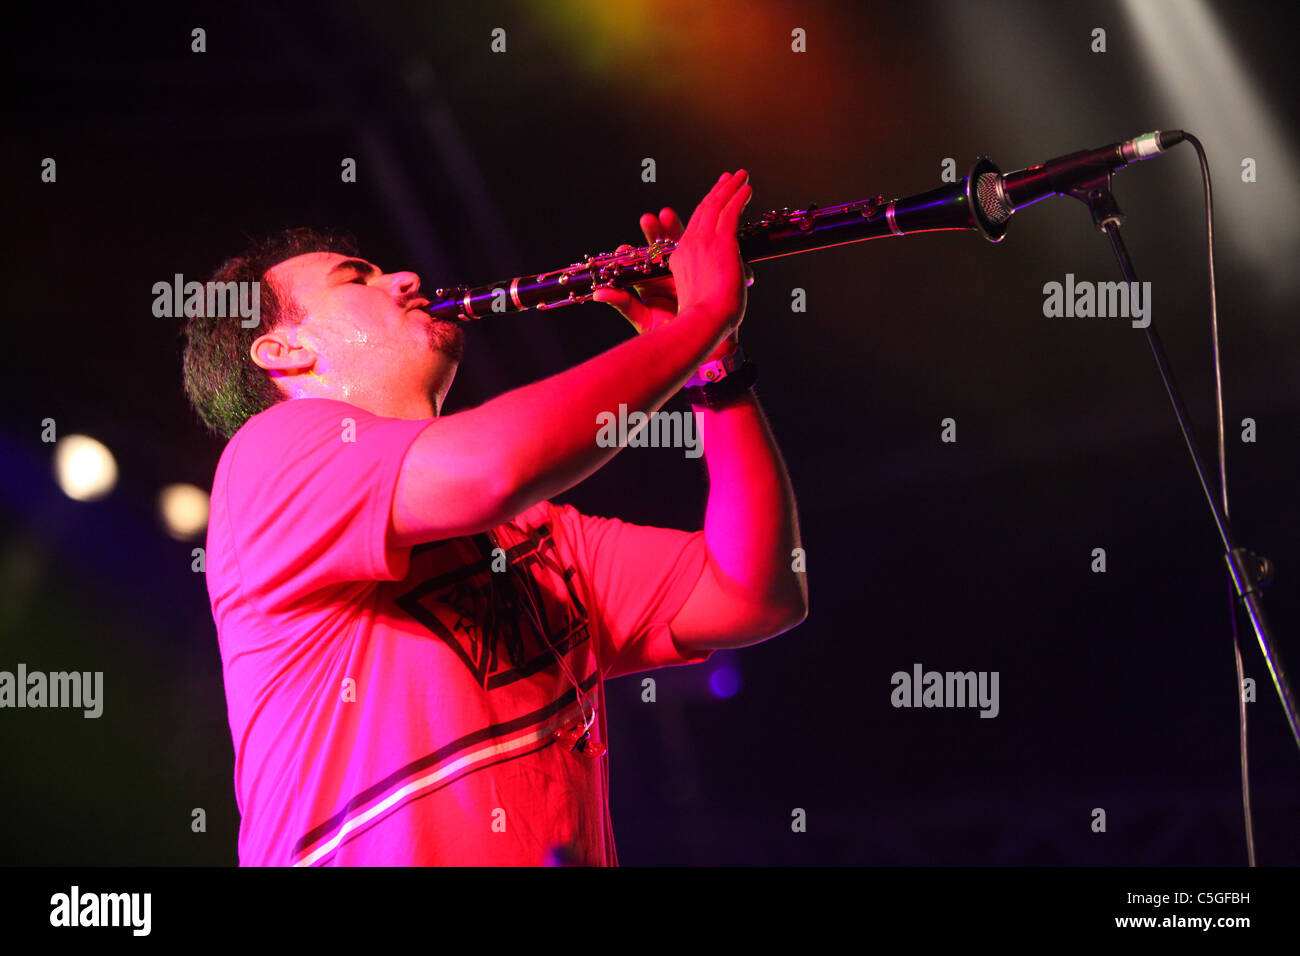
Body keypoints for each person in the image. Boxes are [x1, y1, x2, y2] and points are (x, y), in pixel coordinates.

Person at [182, 169, 807, 865]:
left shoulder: (537, 536)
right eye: (356, 280)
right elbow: (495, 467)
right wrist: (696, 322)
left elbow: (755, 594)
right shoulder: (269, 458)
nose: (407, 278)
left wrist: (713, 368)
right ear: (284, 352)